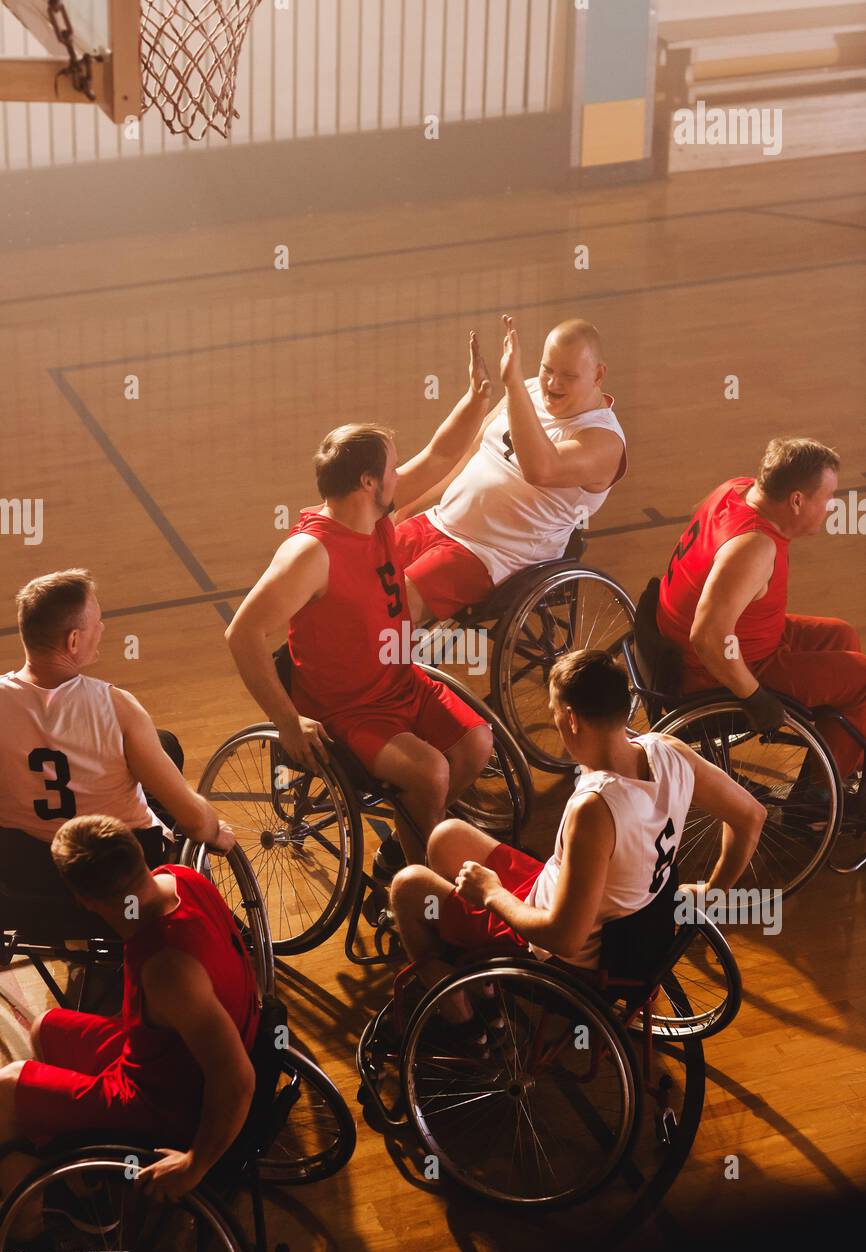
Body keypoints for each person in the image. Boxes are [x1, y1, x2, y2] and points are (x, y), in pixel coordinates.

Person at [389, 650, 766, 1039]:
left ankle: (464, 1025)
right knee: (446, 838)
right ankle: (477, 981)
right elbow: (751, 817)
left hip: (567, 954)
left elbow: (562, 937)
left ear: (571, 718)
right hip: (627, 924)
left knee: (407, 886)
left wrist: (491, 894)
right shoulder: (668, 751)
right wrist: (711, 891)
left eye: (554, 712)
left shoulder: (596, 808)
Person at [226, 332, 496, 866]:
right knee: (431, 771)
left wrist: (477, 397)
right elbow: (242, 633)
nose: (402, 474)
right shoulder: (310, 554)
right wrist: (285, 720)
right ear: (368, 481)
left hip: (401, 681)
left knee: (477, 745)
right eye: (392, 469)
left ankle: (409, 847)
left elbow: (441, 453)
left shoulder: (376, 515)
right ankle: (421, 886)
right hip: (349, 710)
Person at [0, 814, 260, 1252]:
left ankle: (28, 1242)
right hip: (164, 1058)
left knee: (5, 1089)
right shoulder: (179, 878)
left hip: (166, 1102)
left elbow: (237, 1079)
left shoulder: (167, 969)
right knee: (46, 1028)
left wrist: (195, 1164)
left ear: (82, 900)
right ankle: (85, 1191)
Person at [0, 569, 235, 930]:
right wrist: (215, 831)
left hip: (30, 884)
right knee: (161, 757)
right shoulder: (117, 707)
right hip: (122, 884)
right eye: (98, 621)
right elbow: (193, 821)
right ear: (73, 640)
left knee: (165, 741)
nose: (104, 629)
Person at [393, 314, 627, 623]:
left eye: (568, 376)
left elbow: (541, 468)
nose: (553, 383)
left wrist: (513, 384)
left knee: (394, 606)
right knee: (356, 571)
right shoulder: (528, 390)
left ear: (598, 375)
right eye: (547, 369)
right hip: (441, 522)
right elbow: (468, 453)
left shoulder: (604, 441)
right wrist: (414, 503)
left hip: (490, 556)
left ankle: (385, 670)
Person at [656, 437, 865, 781]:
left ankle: (840, 756)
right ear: (797, 500)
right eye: (828, 497)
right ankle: (816, 801)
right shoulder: (754, 547)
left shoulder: (735, 490)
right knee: (862, 678)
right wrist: (754, 697)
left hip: (719, 641)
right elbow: (708, 637)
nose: (832, 506)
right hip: (717, 674)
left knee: (839, 633)